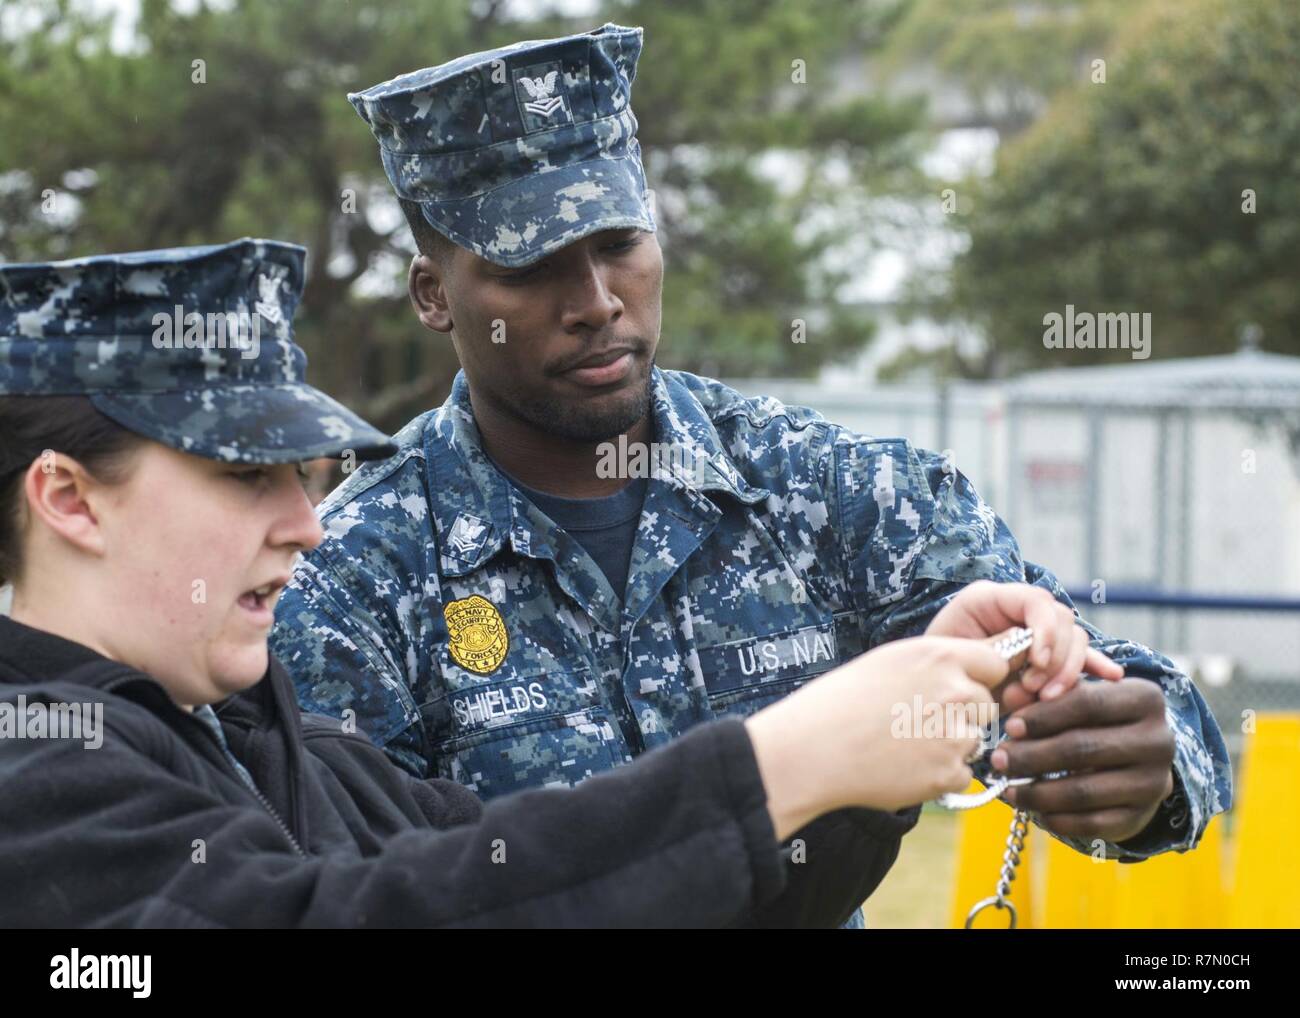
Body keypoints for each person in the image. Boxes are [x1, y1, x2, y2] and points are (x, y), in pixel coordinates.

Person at [270, 21, 1231, 930]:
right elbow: (372, 895)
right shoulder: (349, 579)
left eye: (618, 245)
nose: (597, 303)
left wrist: (1131, 756)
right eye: (532, 268)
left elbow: (1132, 696)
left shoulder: (830, 493)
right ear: (436, 296)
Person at [0, 237, 1071, 928]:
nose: (304, 526)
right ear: (70, 500)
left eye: (303, 477)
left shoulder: (280, 752)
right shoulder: (36, 777)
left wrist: (872, 752)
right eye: (244, 478)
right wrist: (787, 758)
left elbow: (580, 889)